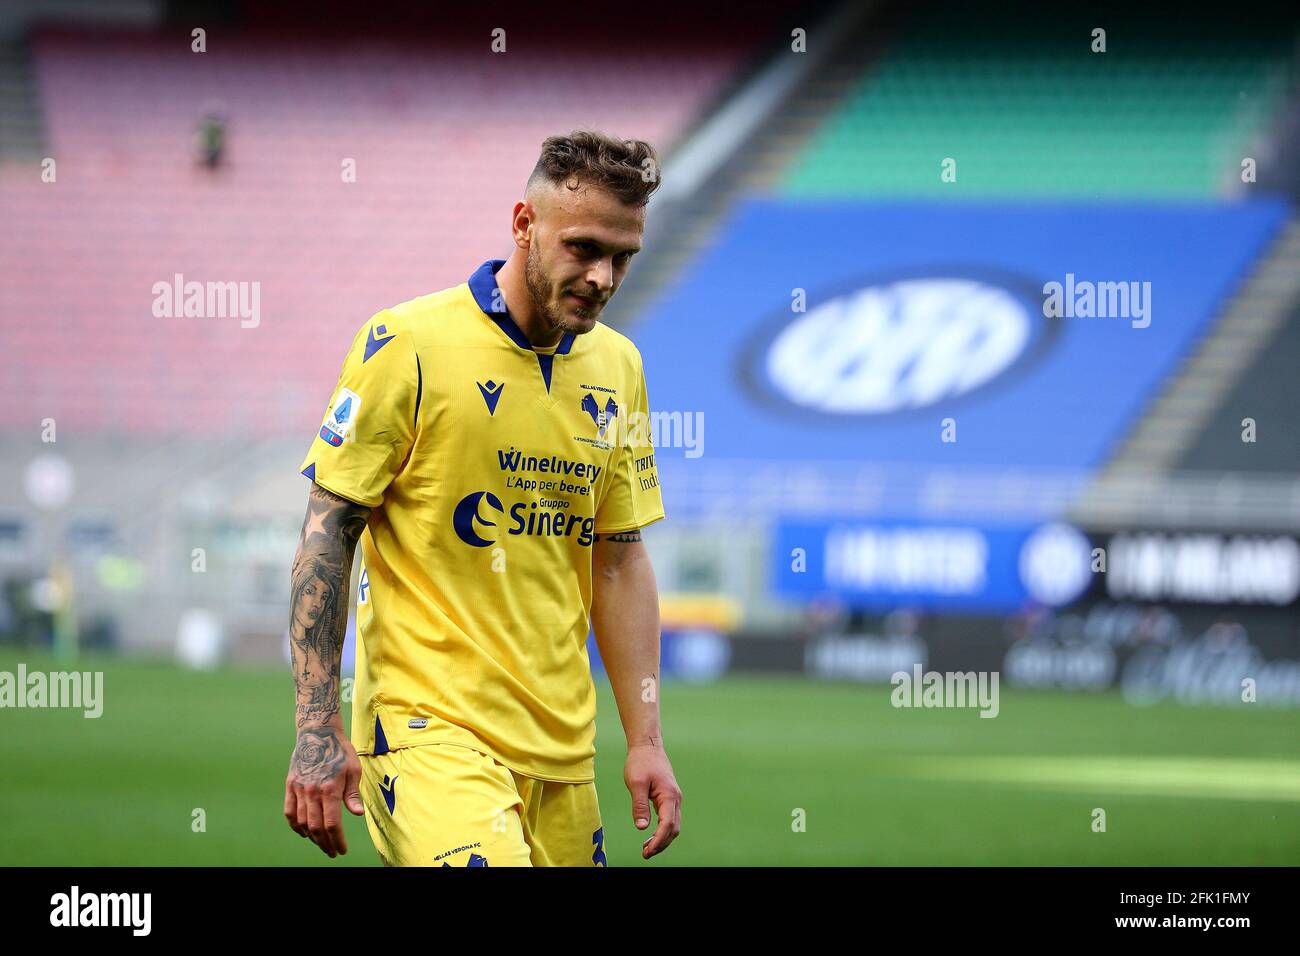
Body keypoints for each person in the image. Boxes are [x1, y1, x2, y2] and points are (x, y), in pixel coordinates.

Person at [283, 129, 681, 866]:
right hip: (427, 734)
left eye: (623, 256)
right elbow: (327, 533)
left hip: (562, 754)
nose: (603, 276)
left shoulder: (619, 367)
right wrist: (315, 725)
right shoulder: (405, 343)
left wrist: (646, 740)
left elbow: (619, 562)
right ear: (524, 226)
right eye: (584, 248)